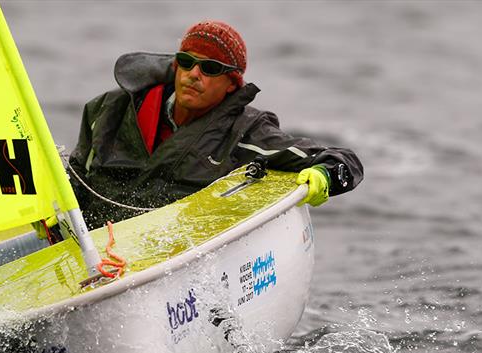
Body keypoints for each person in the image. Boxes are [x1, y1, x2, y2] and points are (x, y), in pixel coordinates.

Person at [67, 20, 363, 230]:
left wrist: (325, 176)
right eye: (186, 62)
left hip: (176, 264)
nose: (194, 74)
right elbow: (75, 180)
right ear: (175, 67)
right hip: (95, 255)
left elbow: (344, 161)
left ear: (232, 84)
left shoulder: (245, 132)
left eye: (210, 68)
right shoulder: (107, 111)